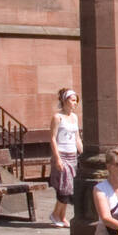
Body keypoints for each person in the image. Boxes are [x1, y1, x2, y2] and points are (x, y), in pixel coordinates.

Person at [48, 88, 82, 227]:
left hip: (72, 154)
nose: (75, 103)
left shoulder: (74, 117)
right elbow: (53, 138)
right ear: (64, 100)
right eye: (72, 100)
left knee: (70, 187)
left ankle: (61, 216)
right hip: (62, 154)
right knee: (65, 186)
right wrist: (57, 158)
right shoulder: (58, 117)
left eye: (76, 101)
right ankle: (56, 214)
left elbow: (77, 138)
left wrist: (83, 152)